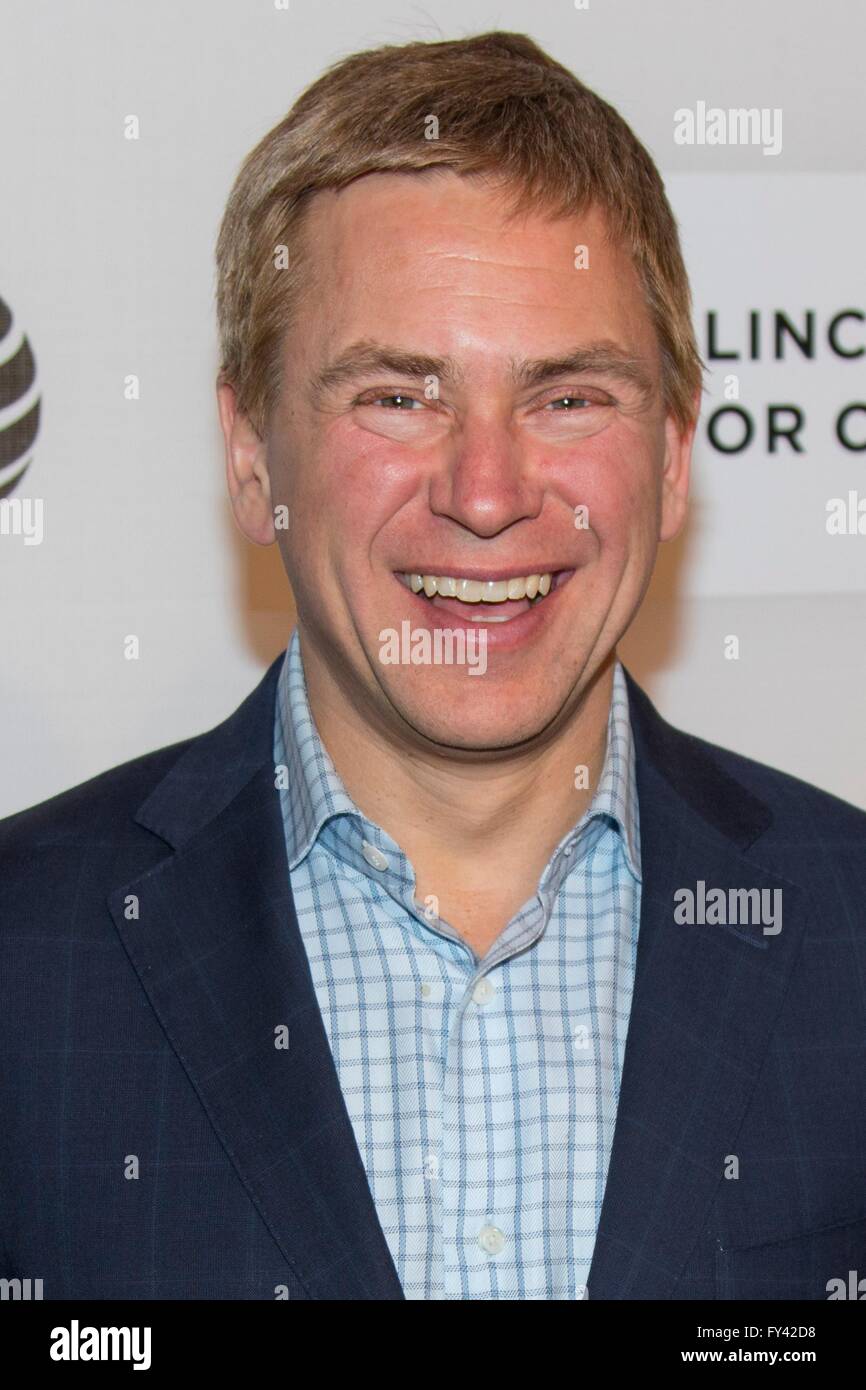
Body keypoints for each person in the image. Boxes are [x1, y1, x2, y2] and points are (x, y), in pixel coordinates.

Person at [2, 30, 864, 1303]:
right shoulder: (27, 960)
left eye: (567, 396)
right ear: (251, 458)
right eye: (398, 396)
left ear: (673, 455)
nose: (485, 492)